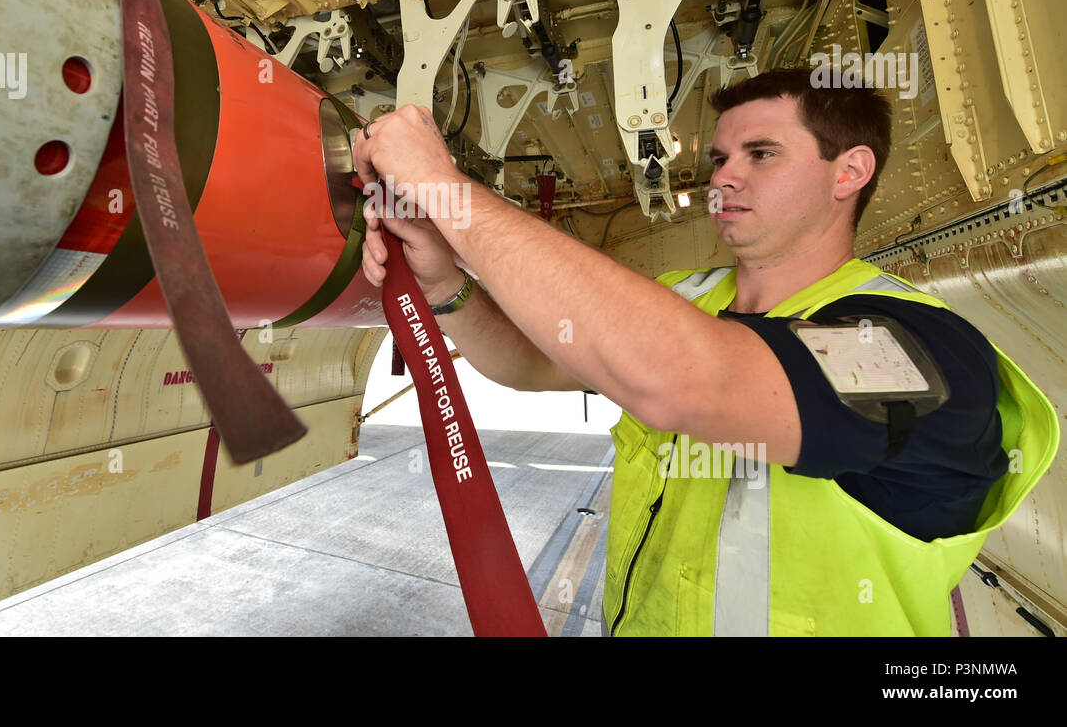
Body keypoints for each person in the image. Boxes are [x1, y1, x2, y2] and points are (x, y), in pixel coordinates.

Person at [350, 67, 1058, 636]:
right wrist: (446, 285)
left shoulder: (917, 348)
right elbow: (530, 360)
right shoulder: (685, 297)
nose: (723, 177)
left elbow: (686, 377)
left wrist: (446, 189)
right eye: (721, 157)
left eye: (762, 154)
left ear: (849, 172)